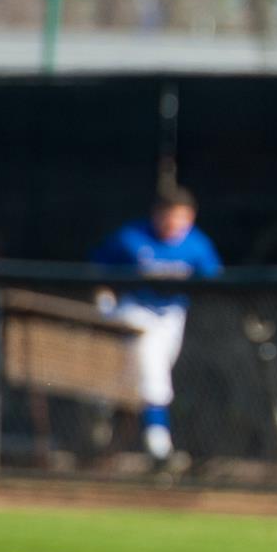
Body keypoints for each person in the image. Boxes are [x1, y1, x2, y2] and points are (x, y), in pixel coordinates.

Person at [89, 184, 223, 463]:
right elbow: (98, 265)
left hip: (172, 315)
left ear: (191, 217)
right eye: (168, 216)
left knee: (143, 370)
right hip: (134, 309)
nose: (173, 223)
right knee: (153, 368)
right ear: (156, 214)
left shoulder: (197, 244)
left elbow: (215, 279)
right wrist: (103, 297)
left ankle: (104, 407)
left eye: (181, 217)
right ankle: (158, 444)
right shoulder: (132, 237)